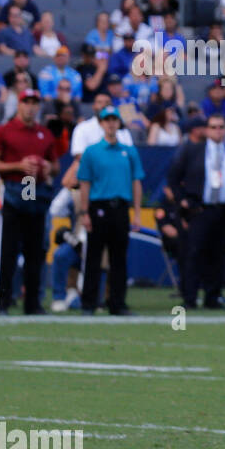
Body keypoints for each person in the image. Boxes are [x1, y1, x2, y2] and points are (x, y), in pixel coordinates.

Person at [0, 88, 58, 315]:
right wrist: (17, 166)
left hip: (34, 190)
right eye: (27, 102)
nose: (31, 106)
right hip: (13, 190)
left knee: (35, 252)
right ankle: (3, 302)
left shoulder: (44, 134)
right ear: (19, 104)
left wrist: (47, 168)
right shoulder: (4, 131)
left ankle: (32, 303)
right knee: (8, 251)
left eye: (35, 102)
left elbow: (55, 166)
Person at [167, 112, 225, 310]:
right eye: (213, 127)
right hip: (200, 210)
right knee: (194, 254)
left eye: (221, 127)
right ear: (206, 130)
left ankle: (213, 297)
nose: (218, 131)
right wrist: (182, 201)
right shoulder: (193, 151)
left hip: (224, 210)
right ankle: (190, 297)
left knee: (218, 256)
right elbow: (173, 177)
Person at [76, 106, 144, 316]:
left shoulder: (129, 151)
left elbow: (136, 182)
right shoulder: (92, 151)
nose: (111, 123)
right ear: (102, 123)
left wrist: (138, 212)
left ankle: (117, 303)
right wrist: (84, 212)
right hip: (99, 208)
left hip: (120, 207)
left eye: (114, 120)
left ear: (118, 123)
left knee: (119, 259)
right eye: (107, 120)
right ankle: (89, 303)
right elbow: (84, 183)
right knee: (94, 258)